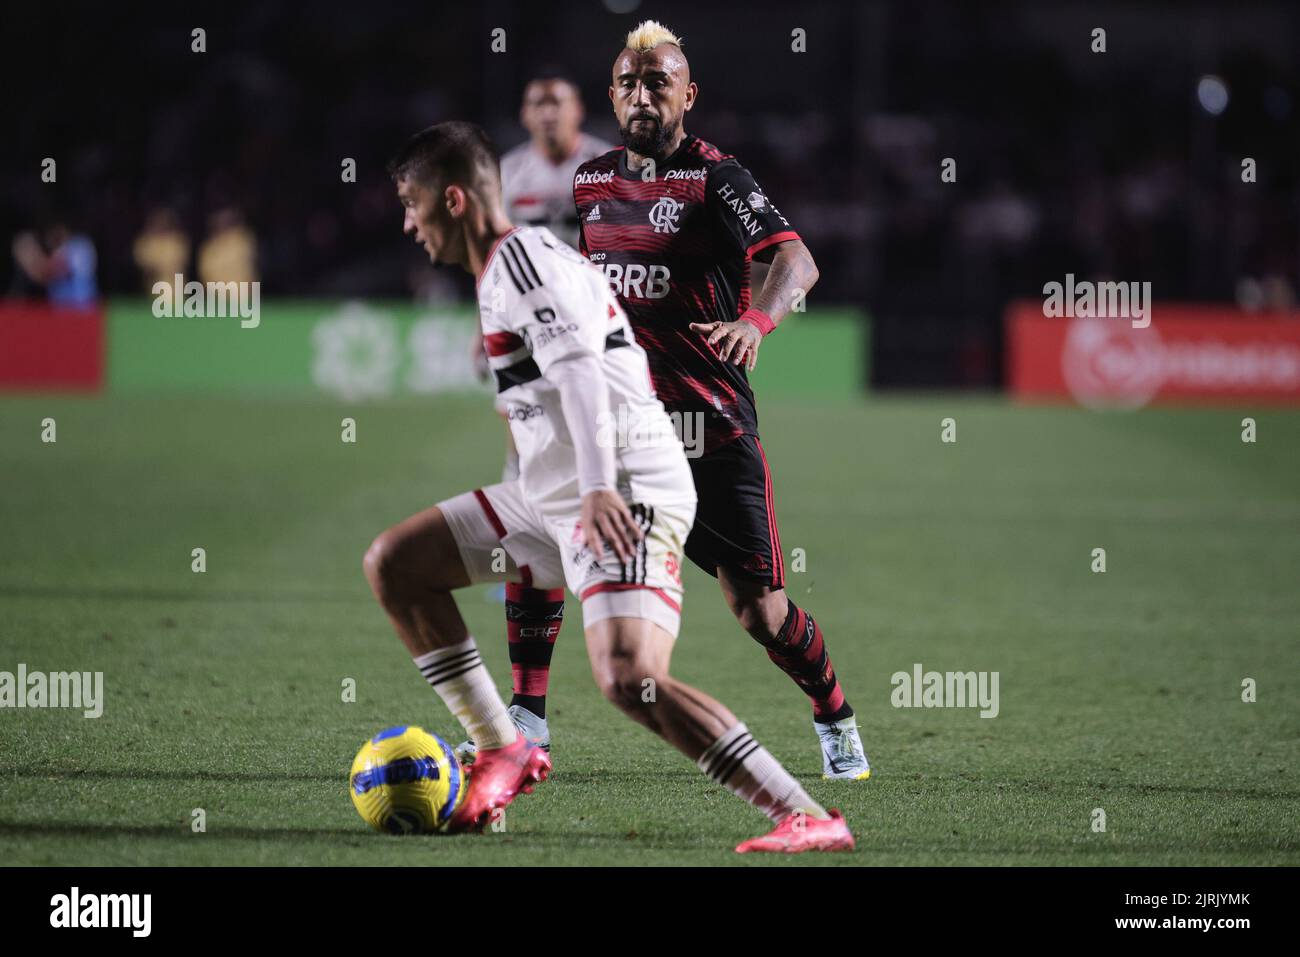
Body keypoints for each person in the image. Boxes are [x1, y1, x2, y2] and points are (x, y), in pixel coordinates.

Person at [365, 120, 854, 851]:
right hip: (562, 492)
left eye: (412, 203)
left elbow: (583, 374)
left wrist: (596, 489)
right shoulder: (511, 265)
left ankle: (808, 814)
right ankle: (503, 746)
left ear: (455, 200)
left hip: (626, 484)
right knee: (397, 565)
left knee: (631, 678)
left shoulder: (520, 264)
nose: (407, 223)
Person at [483, 20, 872, 781]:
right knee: (539, 544)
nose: (641, 95)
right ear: (611, 95)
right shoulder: (590, 182)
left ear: (688, 94)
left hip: (712, 430)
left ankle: (834, 714)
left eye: (657, 81)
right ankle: (526, 722)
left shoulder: (717, 177)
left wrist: (755, 320)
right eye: (628, 82)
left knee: (761, 612)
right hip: (622, 431)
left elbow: (796, 261)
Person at [460, 75, 615, 763]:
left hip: (584, 324)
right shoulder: (510, 173)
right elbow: (487, 248)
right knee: (524, 430)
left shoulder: (607, 167)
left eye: (559, 102)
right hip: (521, 325)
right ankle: (534, 521)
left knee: (589, 436)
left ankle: (586, 537)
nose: (548, 112)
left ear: (578, 112)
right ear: (525, 114)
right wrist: (482, 317)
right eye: (536, 104)